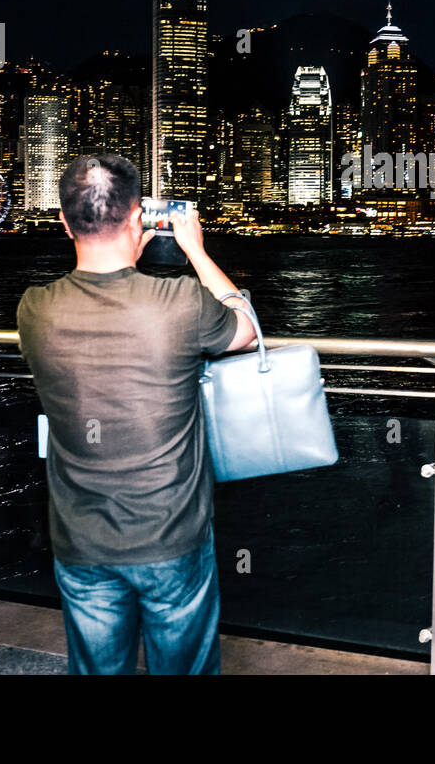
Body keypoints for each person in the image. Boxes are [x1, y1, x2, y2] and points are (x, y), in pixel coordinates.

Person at [17, 154, 256, 675]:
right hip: (170, 532)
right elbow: (245, 329)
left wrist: (126, 250)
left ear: (64, 222)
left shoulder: (34, 307)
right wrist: (195, 250)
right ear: (136, 217)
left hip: (80, 536)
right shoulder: (179, 299)